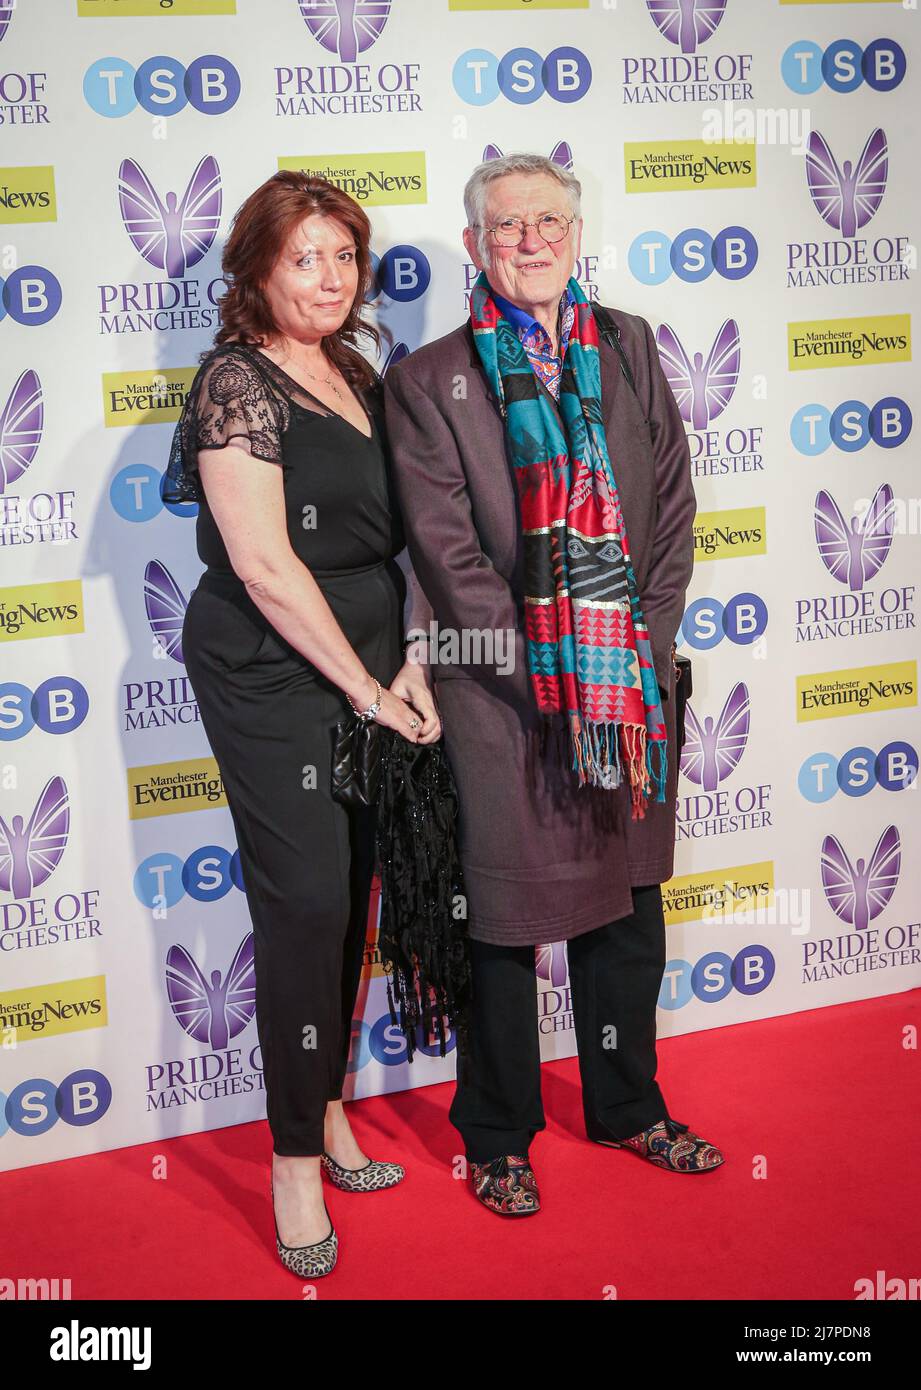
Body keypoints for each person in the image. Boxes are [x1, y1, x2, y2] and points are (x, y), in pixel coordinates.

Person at [383, 152, 724, 1217]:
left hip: (626, 689)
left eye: (549, 223)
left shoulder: (626, 343)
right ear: (477, 246)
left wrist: (637, 644)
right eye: (506, 227)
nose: (530, 242)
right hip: (504, 696)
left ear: (576, 233)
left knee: (625, 912)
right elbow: (449, 556)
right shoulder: (428, 376)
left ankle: (629, 1105)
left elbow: (670, 503)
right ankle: (497, 1135)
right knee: (502, 917)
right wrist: (554, 675)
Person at [164, 170, 440, 1274]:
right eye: (304, 260)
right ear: (256, 274)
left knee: (356, 885)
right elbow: (269, 569)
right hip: (271, 673)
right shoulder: (235, 381)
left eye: (344, 257)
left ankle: (328, 1110)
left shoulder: (359, 373)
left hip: (372, 661)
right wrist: (369, 693)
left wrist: (412, 657)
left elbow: (404, 536)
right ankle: (290, 1163)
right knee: (307, 901)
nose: (330, 279)